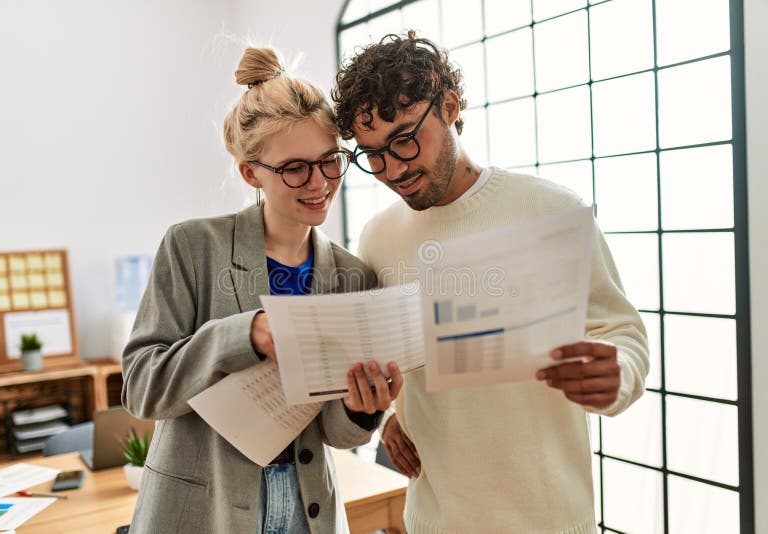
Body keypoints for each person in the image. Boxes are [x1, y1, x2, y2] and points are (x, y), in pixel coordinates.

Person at [332, 31, 649, 534]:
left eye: (404, 139)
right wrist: (390, 418)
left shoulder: (550, 211)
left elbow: (623, 333)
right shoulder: (378, 239)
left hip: (549, 519)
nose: (393, 169)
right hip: (434, 521)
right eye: (372, 155)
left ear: (450, 106)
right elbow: (381, 352)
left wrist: (619, 373)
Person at [121, 46, 403, 534]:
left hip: (305, 505)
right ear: (251, 173)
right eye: (295, 168)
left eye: (330, 160)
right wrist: (245, 335)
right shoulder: (191, 247)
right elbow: (142, 388)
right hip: (200, 510)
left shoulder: (354, 276)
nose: (319, 183)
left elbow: (334, 432)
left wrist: (364, 407)